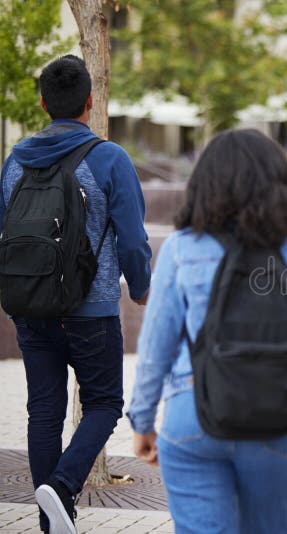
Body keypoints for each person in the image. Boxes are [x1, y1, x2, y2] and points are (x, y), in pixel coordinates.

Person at [126, 129, 287, 533]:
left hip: (192, 414)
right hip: (276, 419)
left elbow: (155, 348)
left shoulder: (183, 247)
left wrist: (143, 422)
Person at [0, 54, 152, 534]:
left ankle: (51, 524)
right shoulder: (109, 158)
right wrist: (142, 288)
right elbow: (132, 239)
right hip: (91, 309)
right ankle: (64, 487)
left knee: (44, 409)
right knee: (105, 403)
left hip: (30, 307)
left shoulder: (15, 160)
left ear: (43, 103)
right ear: (90, 102)